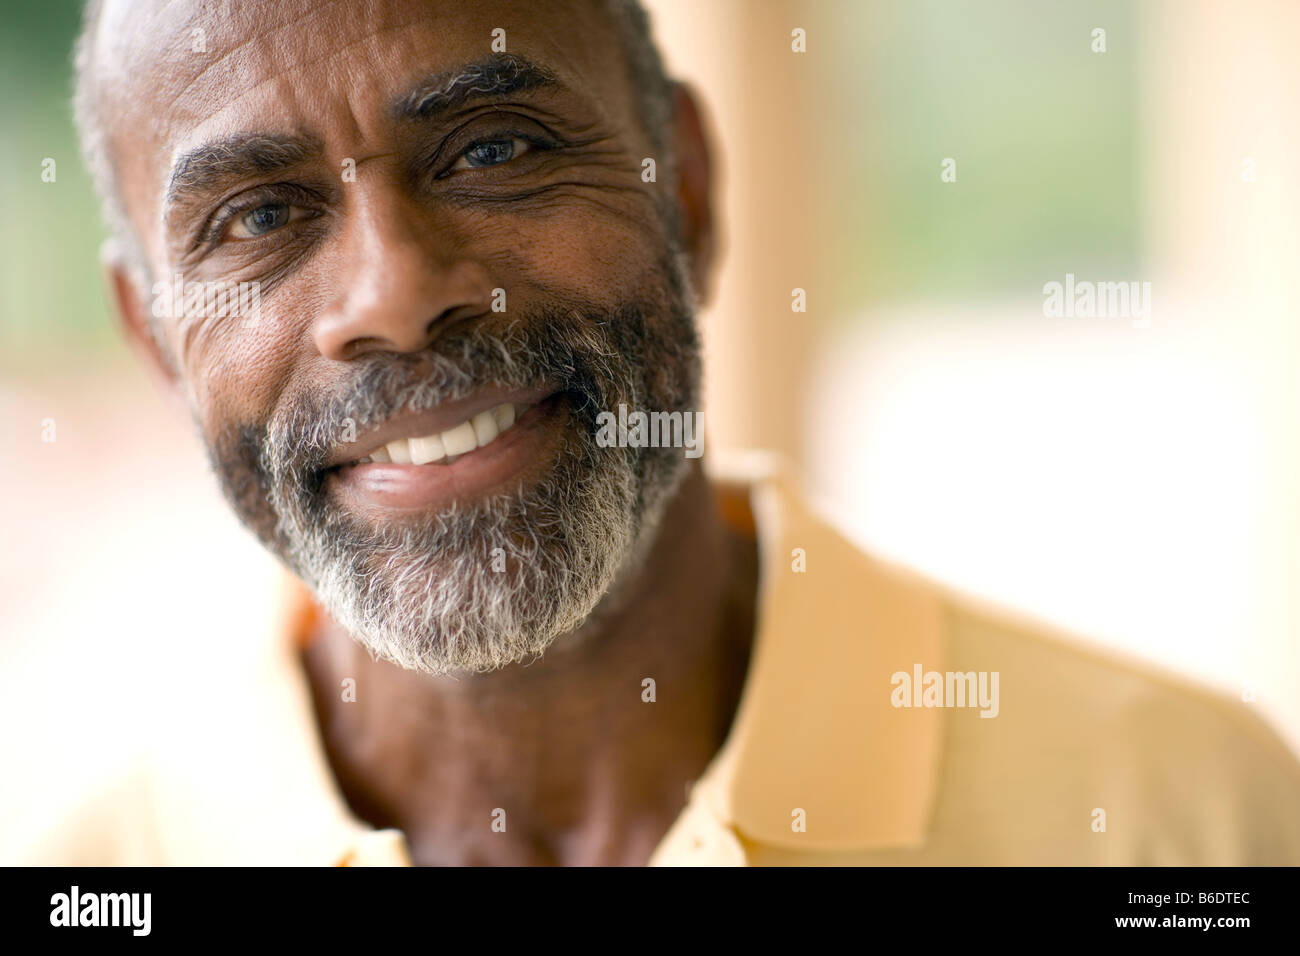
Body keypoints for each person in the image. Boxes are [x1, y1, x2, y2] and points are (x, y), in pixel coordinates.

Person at [31, 0, 1300, 865]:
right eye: (256, 218)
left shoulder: (1177, 815)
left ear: (686, 187)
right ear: (154, 340)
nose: (393, 295)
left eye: (493, 146)